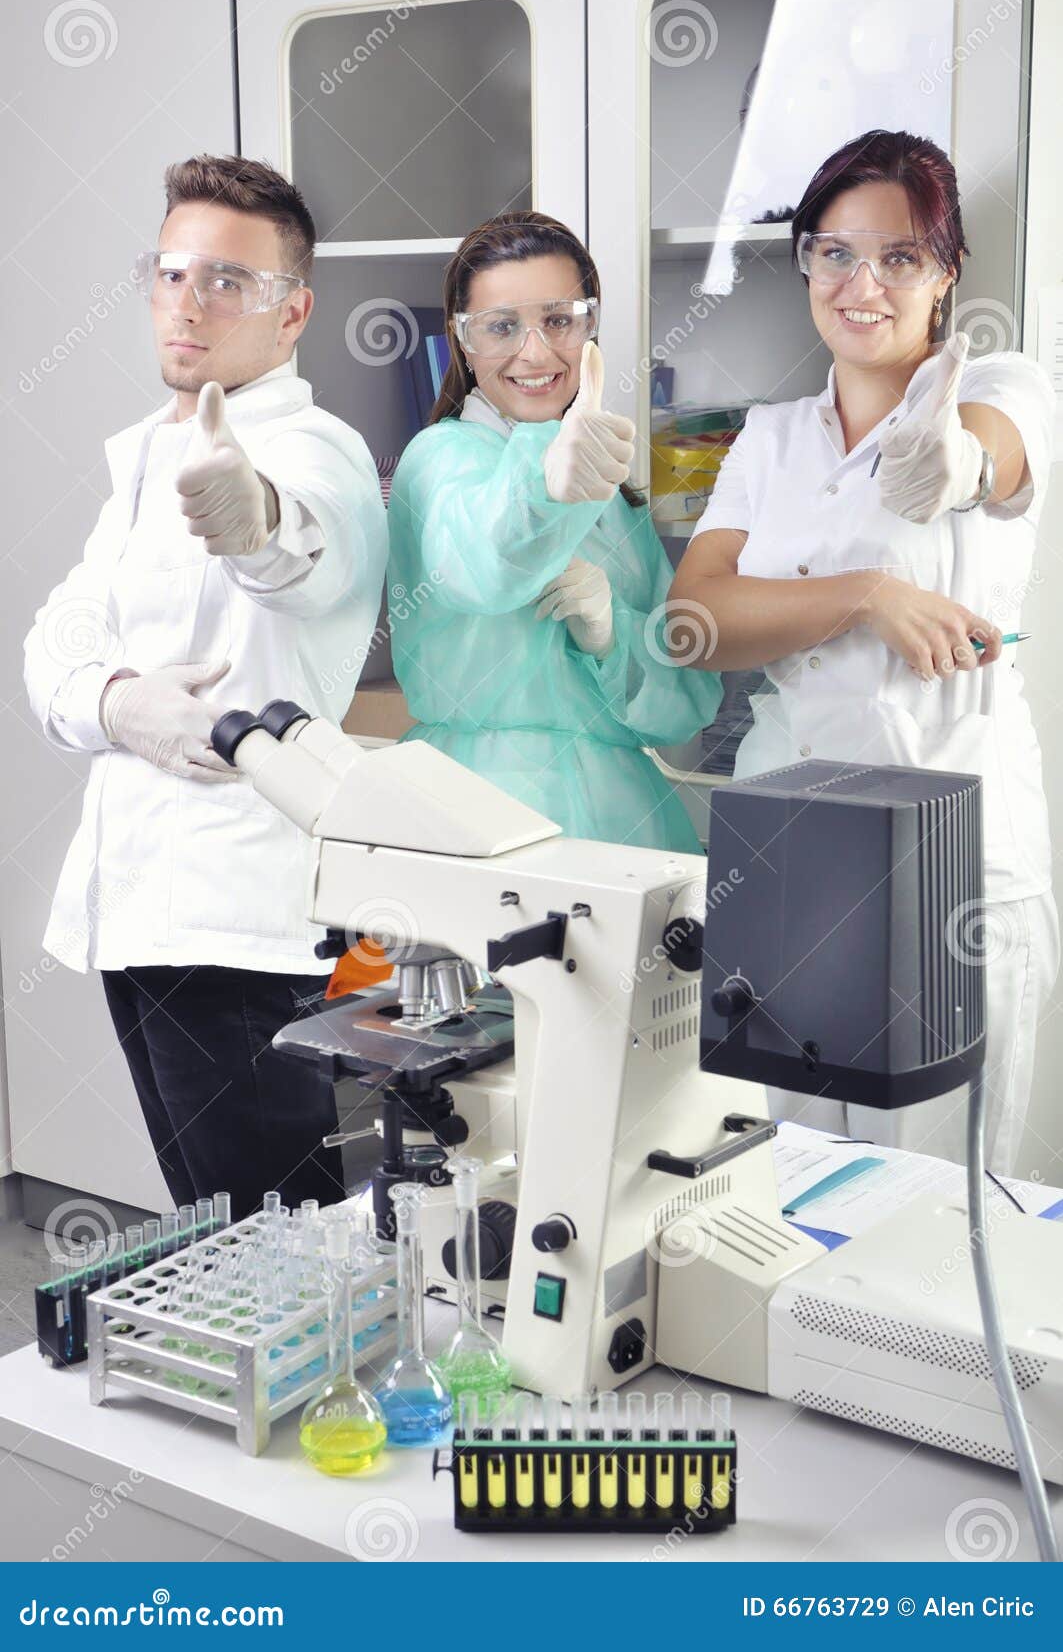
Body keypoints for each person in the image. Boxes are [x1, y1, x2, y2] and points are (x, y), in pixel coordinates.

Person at [669, 130, 1057, 1173]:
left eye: (898, 257)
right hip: (786, 849)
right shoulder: (774, 435)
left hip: (954, 858)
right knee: (781, 1191)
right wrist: (865, 595)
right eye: (833, 253)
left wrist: (957, 462)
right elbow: (694, 622)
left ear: (945, 272)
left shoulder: (1006, 384)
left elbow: (989, 458)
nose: (861, 284)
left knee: (939, 1206)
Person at [24, 156, 388, 1220]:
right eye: (172, 272)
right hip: (135, 912)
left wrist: (256, 520)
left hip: (239, 928)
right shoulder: (147, 454)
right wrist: (111, 702)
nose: (190, 300)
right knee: (217, 1231)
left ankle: (328, 1391)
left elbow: (302, 545)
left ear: (294, 312)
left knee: (278, 1235)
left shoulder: (317, 448)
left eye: (229, 279)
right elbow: (52, 643)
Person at [385, 212, 722, 851]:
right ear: (462, 341)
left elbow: (690, 697)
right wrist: (544, 489)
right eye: (502, 327)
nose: (535, 352)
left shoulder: (615, 496)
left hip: (625, 820)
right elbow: (481, 566)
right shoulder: (440, 458)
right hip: (475, 806)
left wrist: (613, 635)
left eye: (559, 320)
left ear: (588, 328)